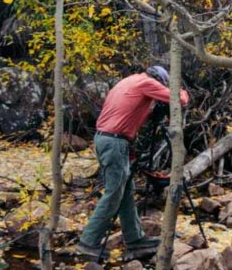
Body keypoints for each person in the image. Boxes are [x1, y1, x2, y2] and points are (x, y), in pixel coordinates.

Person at [77, 65, 189, 259]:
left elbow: (127, 113)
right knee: (114, 193)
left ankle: (135, 239)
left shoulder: (127, 81)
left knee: (125, 192)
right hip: (115, 142)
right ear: (157, 80)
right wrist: (179, 90)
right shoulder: (146, 82)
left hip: (108, 140)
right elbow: (180, 99)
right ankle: (88, 242)